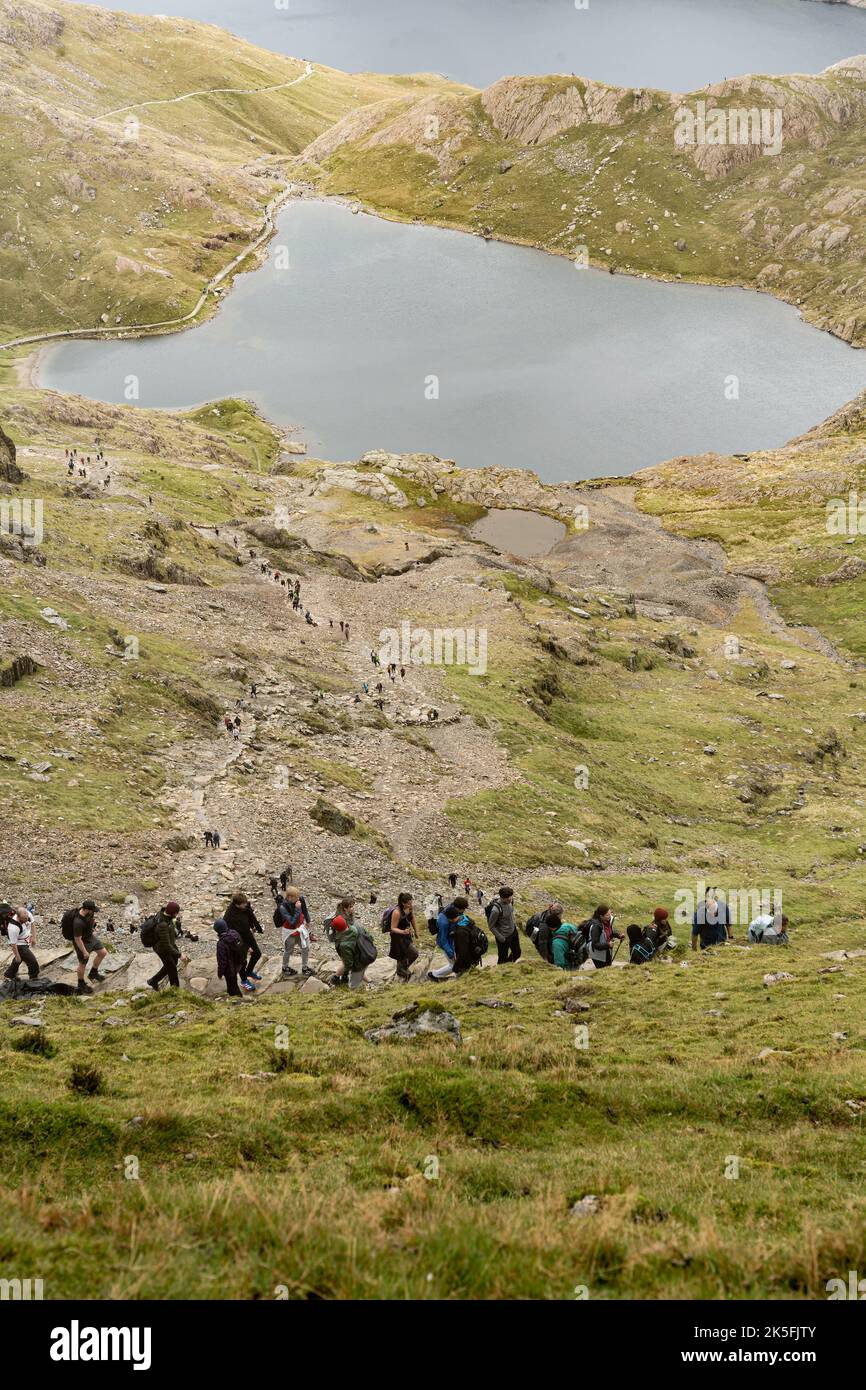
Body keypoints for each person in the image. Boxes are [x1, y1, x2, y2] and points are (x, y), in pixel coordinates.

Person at [224, 891, 264, 987]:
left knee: (257, 953)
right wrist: (245, 947)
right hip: (238, 939)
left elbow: (249, 914)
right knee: (242, 961)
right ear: (237, 905)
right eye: (243, 904)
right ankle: (244, 980)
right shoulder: (230, 916)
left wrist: (254, 926)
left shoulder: (245, 906)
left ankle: (249, 971)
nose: (246, 905)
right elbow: (229, 933)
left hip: (247, 934)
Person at [70, 900, 108, 995]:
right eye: (92, 911)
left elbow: (91, 920)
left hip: (90, 937)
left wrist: (92, 923)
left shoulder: (88, 914)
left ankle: (93, 973)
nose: (93, 912)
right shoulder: (77, 922)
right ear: (87, 910)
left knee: (102, 952)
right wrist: (84, 952)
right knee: (83, 963)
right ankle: (81, 984)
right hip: (82, 942)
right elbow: (77, 939)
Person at [147, 902, 182, 991]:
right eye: (176, 913)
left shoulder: (165, 914)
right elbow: (166, 945)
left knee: (172, 963)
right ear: (173, 913)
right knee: (172, 968)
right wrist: (180, 955)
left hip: (169, 944)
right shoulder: (162, 924)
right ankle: (175, 991)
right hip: (162, 949)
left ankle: (153, 981)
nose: (177, 914)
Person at [279, 886, 311, 979]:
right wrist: (297, 909)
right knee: (288, 950)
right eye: (296, 897)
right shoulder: (283, 907)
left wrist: (308, 921)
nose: (298, 899)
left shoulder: (299, 899)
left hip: (300, 929)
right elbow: (292, 922)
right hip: (289, 932)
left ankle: (305, 967)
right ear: (289, 897)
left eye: (298, 896)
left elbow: (305, 910)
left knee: (305, 948)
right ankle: (285, 967)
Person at [329, 915, 369, 990]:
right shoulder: (354, 928)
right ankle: (370, 982)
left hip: (358, 961)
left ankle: (358, 992)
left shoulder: (344, 944)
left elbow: (348, 963)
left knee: (354, 981)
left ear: (337, 930)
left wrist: (345, 973)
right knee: (359, 971)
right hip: (363, 954)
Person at [2, 903, 38, 981]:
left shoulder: (27, 914)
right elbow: (13, 944)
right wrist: (17, 955)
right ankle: (34, 978)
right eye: (23, 920)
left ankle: (9, 975)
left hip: (25, 940)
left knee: (20, 958)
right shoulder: (13, 928)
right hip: (19, 944)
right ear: (18, 917)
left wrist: (34, 938)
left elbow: (32, 923)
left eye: (26, 919)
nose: (26, 921)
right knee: (32, 961)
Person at [388, 892, 419, 982]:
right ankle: (401, 970)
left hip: (406, 935)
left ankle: (402, 969)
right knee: (413, 953)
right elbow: (392, 928)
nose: (411, 905)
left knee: (406, 954)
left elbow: (412, 918)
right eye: (408, 903)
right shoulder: (396, 912)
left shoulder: (409, 908)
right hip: (397, 937)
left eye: (411, 902)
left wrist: (416, 931)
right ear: (403, 903)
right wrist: (403, 931)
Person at [487, 887, 521, 965]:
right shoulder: (496, 910)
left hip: (513, 933)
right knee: (502, 958)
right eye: (508, 897)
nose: (510, 898)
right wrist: (501, 938)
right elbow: (491, 926)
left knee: (517, 953)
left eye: (511, 896)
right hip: (503, 937)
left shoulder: (510, 901)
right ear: (503, 898)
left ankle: (508, 966)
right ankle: (501, 972)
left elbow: (510, 916)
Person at [428, 904, 460, 980]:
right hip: (445, 943)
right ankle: (434, 975)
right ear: (450, 919)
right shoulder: (443, 924)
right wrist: (450, 953)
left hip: (449, 942)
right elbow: (443, 940)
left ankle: (435, 974)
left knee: (454, 964)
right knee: (453, 965)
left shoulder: (448, 912)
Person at [214, 917, 244, 998]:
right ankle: (234, 993)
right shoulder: (234, 933)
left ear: (217, 930)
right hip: (238, 963)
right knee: (234, 981)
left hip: (230, 969)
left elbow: (222, 961)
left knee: (232, 986)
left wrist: (220, 973)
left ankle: (237, 999)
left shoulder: (221, 944)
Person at [453, 911, 484, 976]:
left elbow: (462, 952)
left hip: (466, 962)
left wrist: (456, 967)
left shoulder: (461, 932)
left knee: (463, 981)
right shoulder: (469, 922)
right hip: (475, 957)